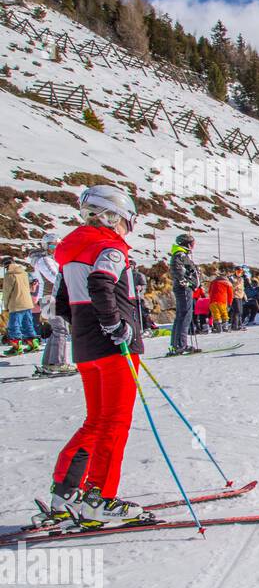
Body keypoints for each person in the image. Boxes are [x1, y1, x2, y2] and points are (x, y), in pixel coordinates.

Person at [47, 185, 149, 526]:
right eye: (125, 222)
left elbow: (62, 303)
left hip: (87, 347)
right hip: (114, 347)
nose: (126, 230)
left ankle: (66, 489)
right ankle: (100, 498)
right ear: (111, 216)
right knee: (114, 424)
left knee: (97, 421)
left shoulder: (72, 251)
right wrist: (115, 324)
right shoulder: (110, 247)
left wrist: (89, 328)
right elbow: (101, 284)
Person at [29, 233, 75, 375]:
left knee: (57, 329)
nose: (55, 248)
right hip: (49, 299)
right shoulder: (44, 260)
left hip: (49, 299)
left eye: (57, 245)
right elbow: (55, 277)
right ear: (45, 246)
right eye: (52, 245)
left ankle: (50, 362)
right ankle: (58, 362)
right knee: (61, 329)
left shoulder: (49, 259)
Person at [167, 233, 200, 355]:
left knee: (182, 315)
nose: (193, 246)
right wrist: (185, 282)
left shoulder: (181, 254)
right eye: (192, 244)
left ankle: (177, 344)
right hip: (184, 289)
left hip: (185, 288)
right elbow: (177, 269)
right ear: (187, 244)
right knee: (185, 316)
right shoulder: (180, 255)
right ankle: (181, 344)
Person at [2, 257, 40, 355]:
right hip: (27, 303)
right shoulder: (23, 272)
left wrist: (6, 306)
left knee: (14, 325)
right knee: (28, 324)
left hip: (16, 304)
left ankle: (16, 347)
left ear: (6, 265)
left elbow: (7, 292)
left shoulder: (9, 274)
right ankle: (33, 344)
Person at [229, 266, 245, 330]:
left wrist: (244, 296)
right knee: (237, 311)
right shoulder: (232, 278)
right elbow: (231, 287)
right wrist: (237, 283)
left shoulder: (241, 278)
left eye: (240, 272)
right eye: (238, 271)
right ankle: (235, 325)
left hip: (240, 296)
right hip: (234, 296)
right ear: (235, 271)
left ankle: (239, 324)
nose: (239, 273)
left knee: (240, 311)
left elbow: (242, 289)